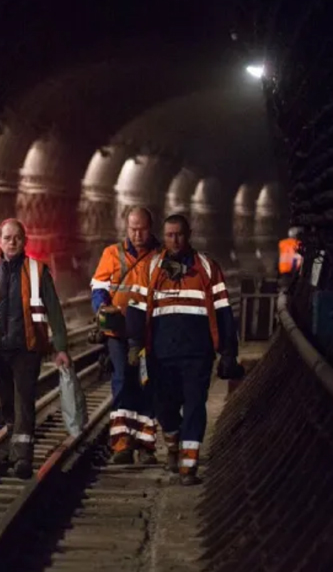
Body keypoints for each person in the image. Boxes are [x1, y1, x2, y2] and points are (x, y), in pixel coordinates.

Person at [126, 214, 239, 485]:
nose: (174, 240)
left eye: (179, 234)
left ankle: (189, 467)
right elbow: (135, 309)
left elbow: (224, 312)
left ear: (188, 235)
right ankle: (174, 448)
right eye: (169, 235)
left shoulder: (207, 268)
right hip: (160, 355)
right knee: (164, 407)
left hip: (197, 355)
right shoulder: (151, 268)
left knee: (195, 407)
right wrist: (134, 344)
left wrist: (228, 352)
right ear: (163, 237)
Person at [0, 218, 71, 479]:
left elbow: (54, 311)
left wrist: (60, 348)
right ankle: (15, 441)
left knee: (23, 398)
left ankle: (23, 457)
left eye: (17, 238)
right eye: (7, 238)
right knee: (5, 398)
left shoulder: (38, 271)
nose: (12, 242)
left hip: (27, 348)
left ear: (24, 241)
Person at [90, 207, 161, 465]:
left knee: (146, 383)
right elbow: (98, 287)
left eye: (141, 228)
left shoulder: (162, 257)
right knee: (121, 382)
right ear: (126, 228)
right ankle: (122, 445)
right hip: (118, 334)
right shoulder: (112, 254)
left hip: (148, 335)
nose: (137, 233)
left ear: (150, 227)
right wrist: (101, 306)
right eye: (132, 229)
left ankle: (145, 446)